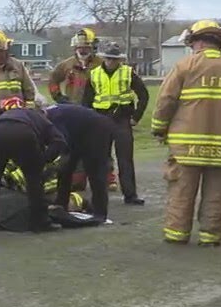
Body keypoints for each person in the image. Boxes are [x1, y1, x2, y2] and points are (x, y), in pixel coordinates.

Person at [151, 19, 221, 246]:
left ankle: (176, 236)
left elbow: (166, 100)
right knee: (216, 195)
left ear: (197, 42)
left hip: (185, 149)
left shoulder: (185, 66)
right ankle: (210, 237)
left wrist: (159, 129)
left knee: (181, 193)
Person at [0, 96, 66, 232]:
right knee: (34, 179)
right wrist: (43, 160)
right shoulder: (35, 115)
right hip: (23, 134)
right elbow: (59, 141)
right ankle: (39, 222)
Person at [83, 41, 150, 205]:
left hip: (122, 119)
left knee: (125, 159)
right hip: (101, 119)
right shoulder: (94, 74)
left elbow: (143, 95)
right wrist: (90, 121)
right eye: (109, 59)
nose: (112, 62)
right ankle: (99, 194)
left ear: (120, 60)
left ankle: (130, 195)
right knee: (100, 159)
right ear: (104, 58)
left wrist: (136, 117)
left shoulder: (128, 73)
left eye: (115, 59)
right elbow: (87, 101)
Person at [43, 102, 116, 223]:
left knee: (95, 172)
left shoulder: (54, 118)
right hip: (78, 134)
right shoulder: (49, 115)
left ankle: (100, 213)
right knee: (64, 169)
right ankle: (61, 206)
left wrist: (48, 159)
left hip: (98, 130)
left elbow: (60, 140)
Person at [0, 31, 37, 121]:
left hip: (18, 118)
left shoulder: (17, 66)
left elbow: (29, 91)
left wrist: (29, 113)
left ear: (5, 51)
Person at [48, 28, 102, 105]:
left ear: (93, 48)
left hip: (95, 108)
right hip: (73, 107)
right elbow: (52, 80)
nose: (82, 51)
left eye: (86, 47)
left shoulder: (100, 64)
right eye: (79, 47)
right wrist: (58, 97)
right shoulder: (67, 64)